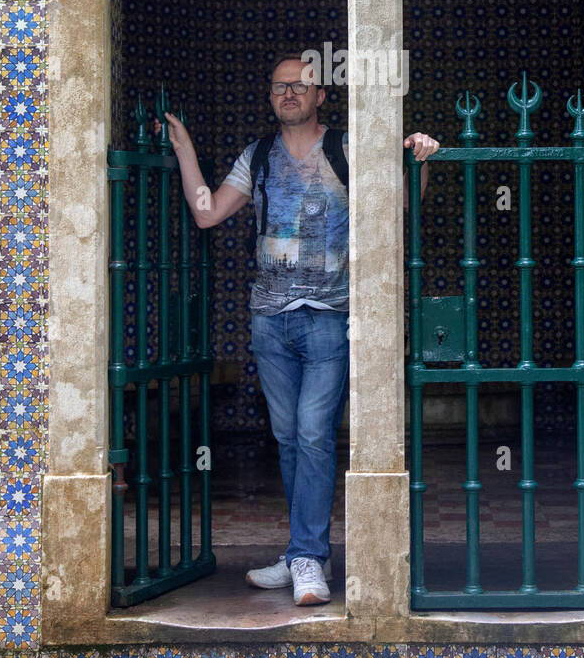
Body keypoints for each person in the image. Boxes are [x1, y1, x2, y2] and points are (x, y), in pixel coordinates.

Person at [158, 51, 439, 606]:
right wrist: (186, 150)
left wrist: (422, 161)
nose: (288, 94)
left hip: (330, 318)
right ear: (271, 96)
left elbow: (400, 207)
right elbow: (208, 212)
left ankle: (307, 558)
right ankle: (303, 552)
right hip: (270, 320)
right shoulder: (257, 155)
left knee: (313, 436)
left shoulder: (345, 148)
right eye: (279, 87)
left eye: (300, 86)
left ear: (320, 95)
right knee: (288, 440)